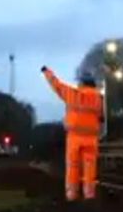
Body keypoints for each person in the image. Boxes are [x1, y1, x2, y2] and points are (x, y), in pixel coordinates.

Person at [41, 65, 103, 201]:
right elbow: (101, 116)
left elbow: (56, 85)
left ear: (81, 83)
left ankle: (72, 196)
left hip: (75, 137)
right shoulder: (99, 98)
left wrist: (46, 72)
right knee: (90, 168)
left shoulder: (74, 94)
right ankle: (89, 196)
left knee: (73, 167)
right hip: (91, 139)